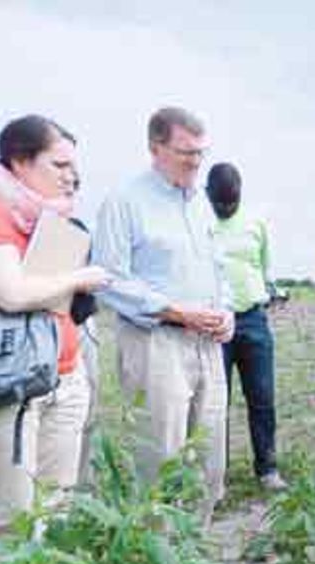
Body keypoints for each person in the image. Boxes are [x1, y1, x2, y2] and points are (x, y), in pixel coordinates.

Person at [0, 115, 109, 532]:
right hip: (6, 383)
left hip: (63, 375)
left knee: (53, 512)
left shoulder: (56, 221)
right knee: (5, 521)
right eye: (59, 165)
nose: (73, 177)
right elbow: (11, 293)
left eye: (74, 166)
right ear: (20, 161)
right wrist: (79, 278)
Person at [92, 107, 234, 519]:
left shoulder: (201, 203)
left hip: (207, 343)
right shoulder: (125, 202)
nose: (195, 162)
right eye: (185, 152)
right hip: (156, 343)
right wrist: (174, 311)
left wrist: (225, 311)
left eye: (200, 153)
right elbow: (110, 279)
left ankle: (196, 553)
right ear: (155, 148)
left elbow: (218, 268)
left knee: (210, 459)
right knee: (160, 460)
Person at [207, 162, 287, 491]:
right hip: (213, 323)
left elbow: (265, 267)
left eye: (231, 203)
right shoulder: (198, 221)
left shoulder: (256, 223)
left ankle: (267, 468)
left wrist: (273, 293)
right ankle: (215, 476)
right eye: (220, 203)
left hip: (253, 319)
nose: (226, 209)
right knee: (215, 404)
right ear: (208, 195)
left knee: (262, 397)